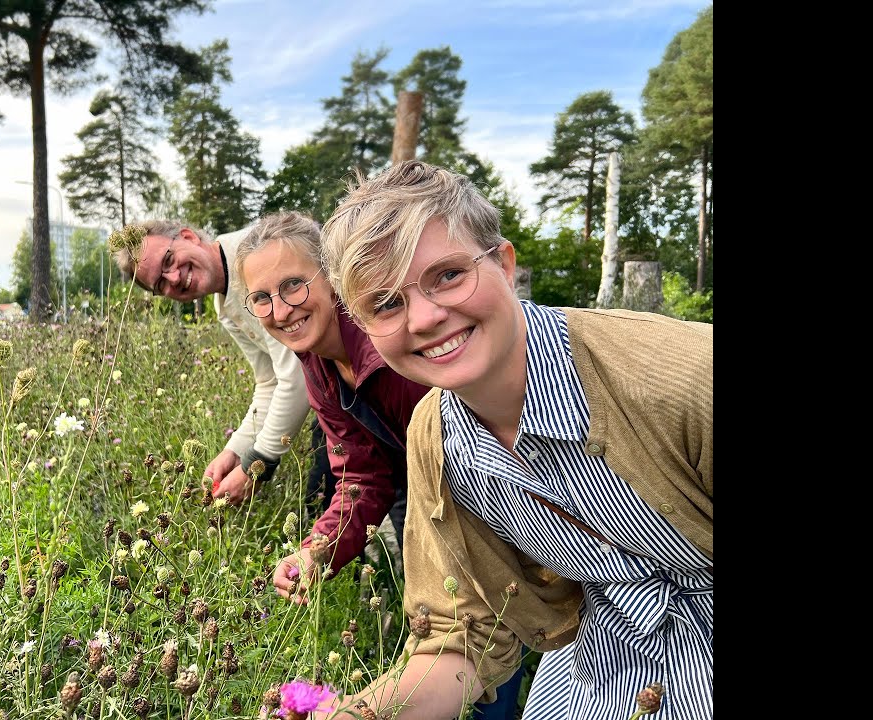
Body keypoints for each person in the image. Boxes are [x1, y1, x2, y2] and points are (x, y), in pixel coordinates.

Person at [313, 160, 713, 720]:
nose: (425, 318)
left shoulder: (685, 380)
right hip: (595, 675)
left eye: (448, 275)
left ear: (503, 262)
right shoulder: (436, 438)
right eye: (386, 304)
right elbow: (464, 633)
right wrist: (360, 714)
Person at [235, 211, 524, 720]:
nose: (281, 310)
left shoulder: (389, 343)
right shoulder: (318, 362)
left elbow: (479, 437)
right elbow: (361, 475)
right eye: (262, 298)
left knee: (481, 631)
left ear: (334, 276)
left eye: (294, 286)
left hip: (493, 487)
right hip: (425, 489)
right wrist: (316, 551)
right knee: (448, 638)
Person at [112, 220, 311, 499]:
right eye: (160, 283)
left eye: (168, 260)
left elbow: (298, 375)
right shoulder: (225, 305)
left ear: (189, 236)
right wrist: (235, 450)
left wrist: (258, 463)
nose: (173, 278)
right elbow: (270, 381)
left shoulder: (257, 255)